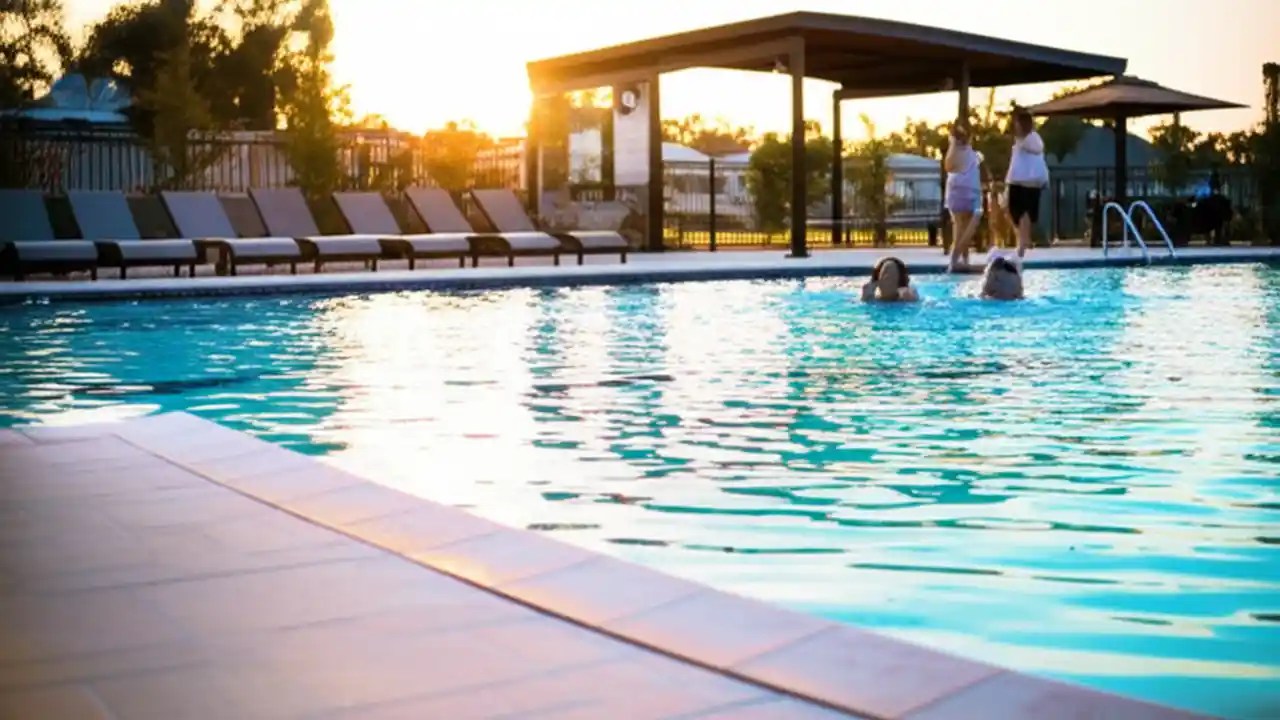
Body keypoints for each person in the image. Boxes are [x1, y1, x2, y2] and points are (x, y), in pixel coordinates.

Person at [1006, 108, 1049, 259]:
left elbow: (1031, 152)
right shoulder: (1031, 139)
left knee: (1020, 211)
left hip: (1022, 181)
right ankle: (1023, 242)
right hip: (1029, 181)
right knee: (1023, 212)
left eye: (1016, 123)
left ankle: (1022, 243)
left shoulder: (1027, 140)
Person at [944, 124, 984, 273]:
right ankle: (959, 260)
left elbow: (948, 166)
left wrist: (953, 144)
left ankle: (957, 260)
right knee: (964, 227)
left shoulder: (956, 151)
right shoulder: (970, 153)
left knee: (960, 228)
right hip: (969, 191)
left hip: (958, 190)